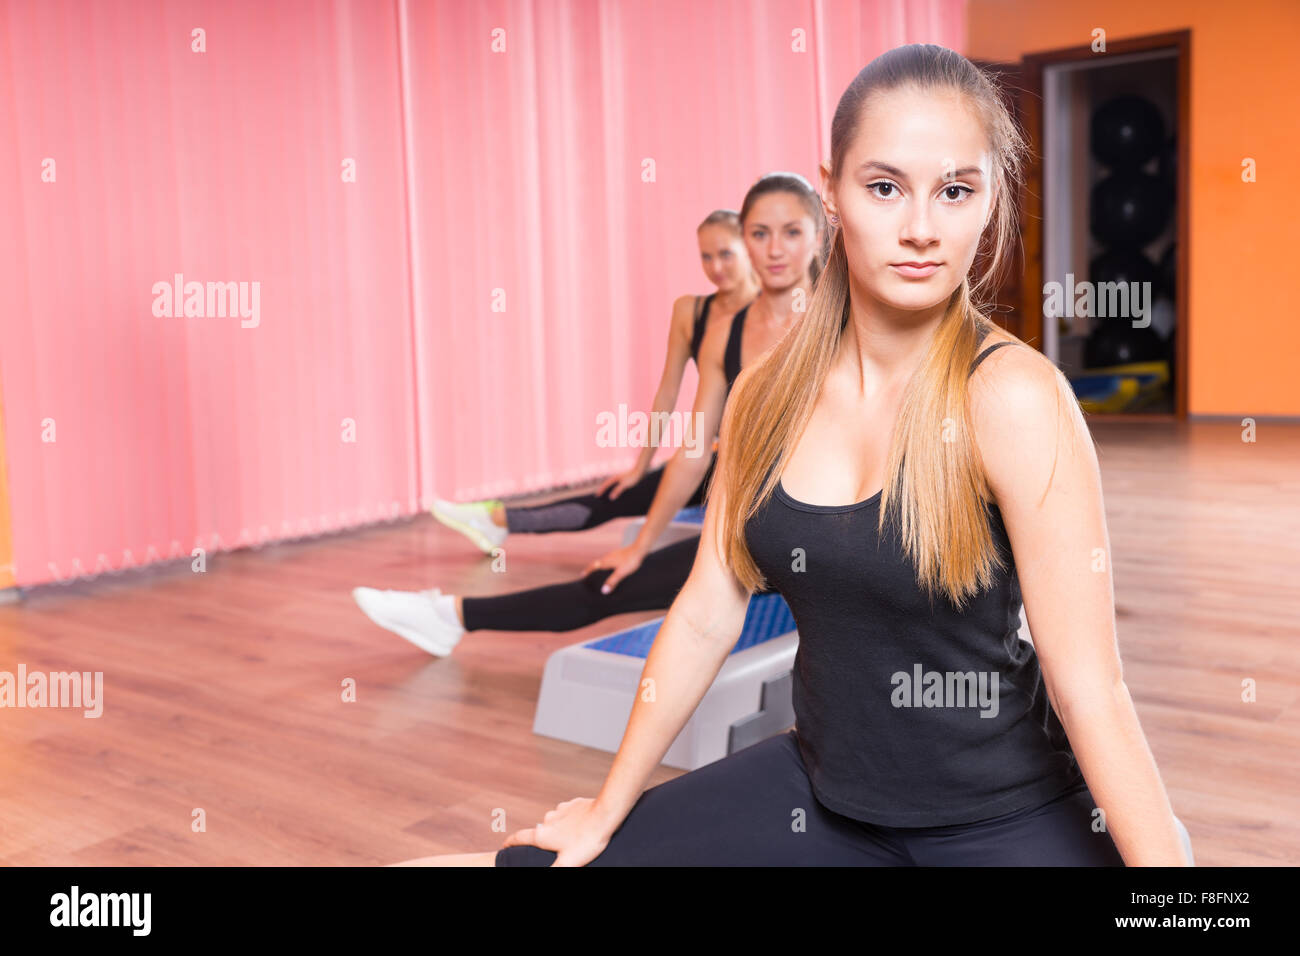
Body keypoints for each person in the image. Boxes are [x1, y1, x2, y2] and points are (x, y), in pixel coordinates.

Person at [400, 43, 1190, 866]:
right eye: (884, 187)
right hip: (818, 798)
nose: (921, 228)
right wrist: (606, 809)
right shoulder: (764, 398)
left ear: (989, 203)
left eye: (956, 191)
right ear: (835, 196)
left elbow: (1088, 687)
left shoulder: (1016, 398)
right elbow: (708, 611)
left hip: (999, 819)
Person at [352, 174, 826, 657]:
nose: (774, 249)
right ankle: (449, 617)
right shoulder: (725, 334)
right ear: (746, 237)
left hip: (837, 535)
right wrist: (640, 545)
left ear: (818, 232)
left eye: (791, 232)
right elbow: (692, 452)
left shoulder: (844, 320)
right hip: (757, 532)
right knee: (612, 580)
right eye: (760, 233)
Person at [426, 211, 760, 555]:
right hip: (709, 456)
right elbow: (667, 393)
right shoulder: (690, 312)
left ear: (748, 250)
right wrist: (639, 467)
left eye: (725, 254)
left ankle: (498, 521)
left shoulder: (772, 312)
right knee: (617, 494)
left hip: (756, 463)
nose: (715, 266)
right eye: (706, 256)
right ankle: (499, 520)